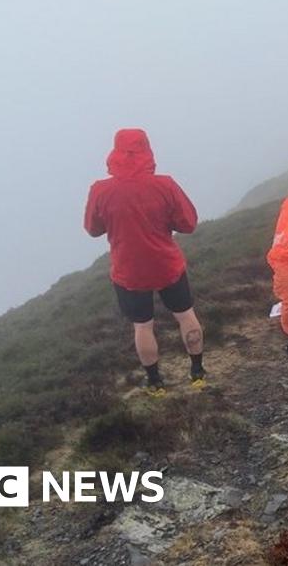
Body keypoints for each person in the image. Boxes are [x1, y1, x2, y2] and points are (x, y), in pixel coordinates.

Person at [84, 129, 205, 397]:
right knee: (185, 315)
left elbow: (93, 229)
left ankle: (155, 383)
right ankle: (197, 373)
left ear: (115, 153)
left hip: (129, 270)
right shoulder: (165, 185)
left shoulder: (100, 191)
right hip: (167, 264)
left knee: (142, 326)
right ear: (147, 150)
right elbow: (188, 223)